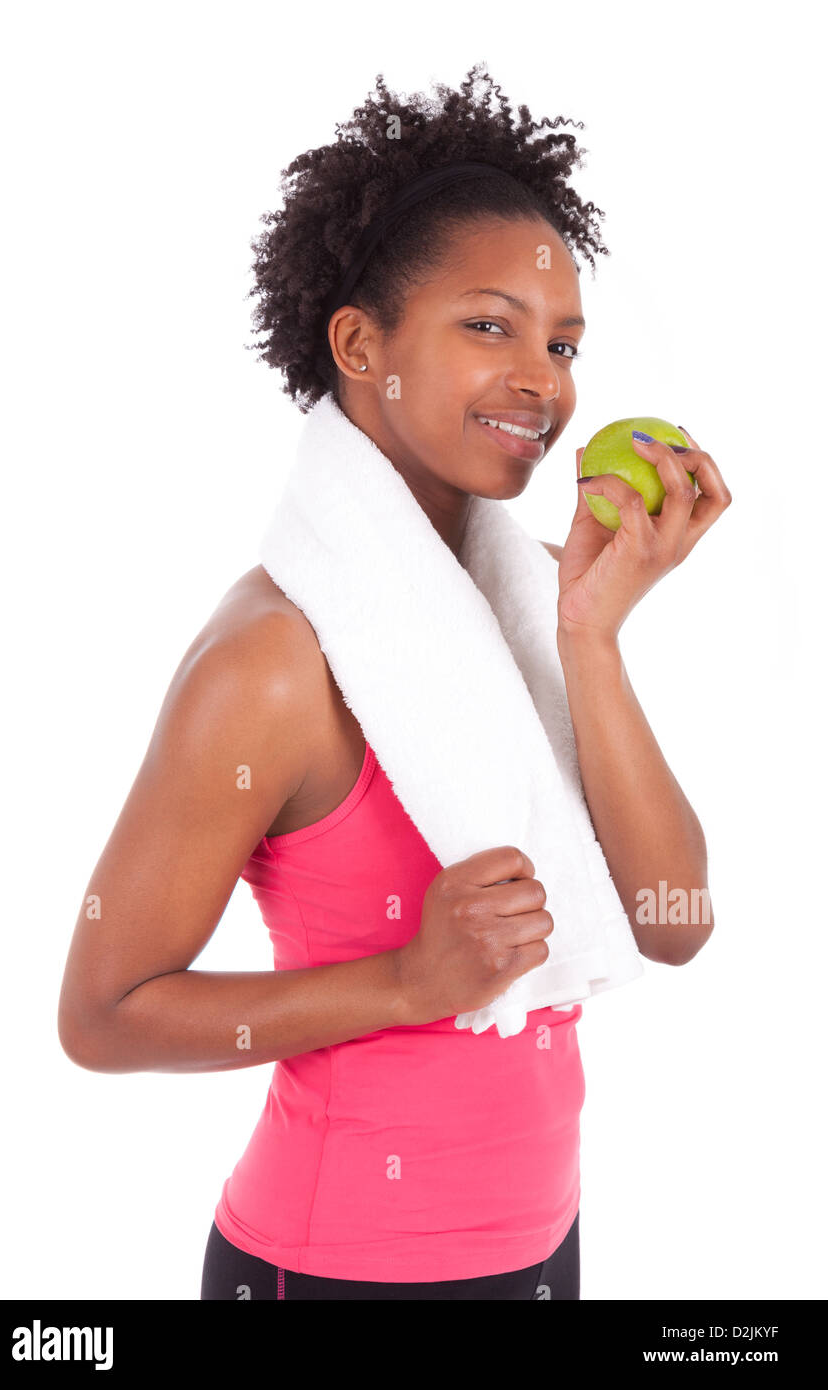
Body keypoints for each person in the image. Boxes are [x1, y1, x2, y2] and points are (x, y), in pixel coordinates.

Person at [57, 63, 730, 1301]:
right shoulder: (272, 659)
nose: (544, 380)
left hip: (540, 1253)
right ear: (363, 345)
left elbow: (673, 927)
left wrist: (591, 634)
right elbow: (101, 1015)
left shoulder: (528, 603)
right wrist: (406, 984)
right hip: (330, 1271)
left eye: (561, 343)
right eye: (489, 326)